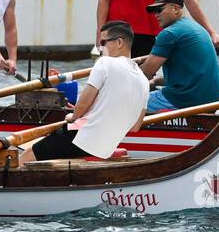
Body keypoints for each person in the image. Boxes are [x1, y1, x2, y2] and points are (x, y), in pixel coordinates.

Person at [22, 21, 148, 163]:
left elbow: (81, 106)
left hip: (82, 138)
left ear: (119, 42)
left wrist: (73, 116)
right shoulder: (143, 80)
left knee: (27, 154)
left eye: (103, 42)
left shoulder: (104, 63)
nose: (100, 47)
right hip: (106, 147)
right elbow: (135, 126)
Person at [139, 0, 219, 112]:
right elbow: (189, 76)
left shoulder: (169, 33)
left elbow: (145, 73)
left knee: (127, 103)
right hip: (210, 100)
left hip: (185, 100)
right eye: (154, 11)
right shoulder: (197, 28)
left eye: (159, 10)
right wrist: (156, 81)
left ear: (176, 8)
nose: (156, 15)